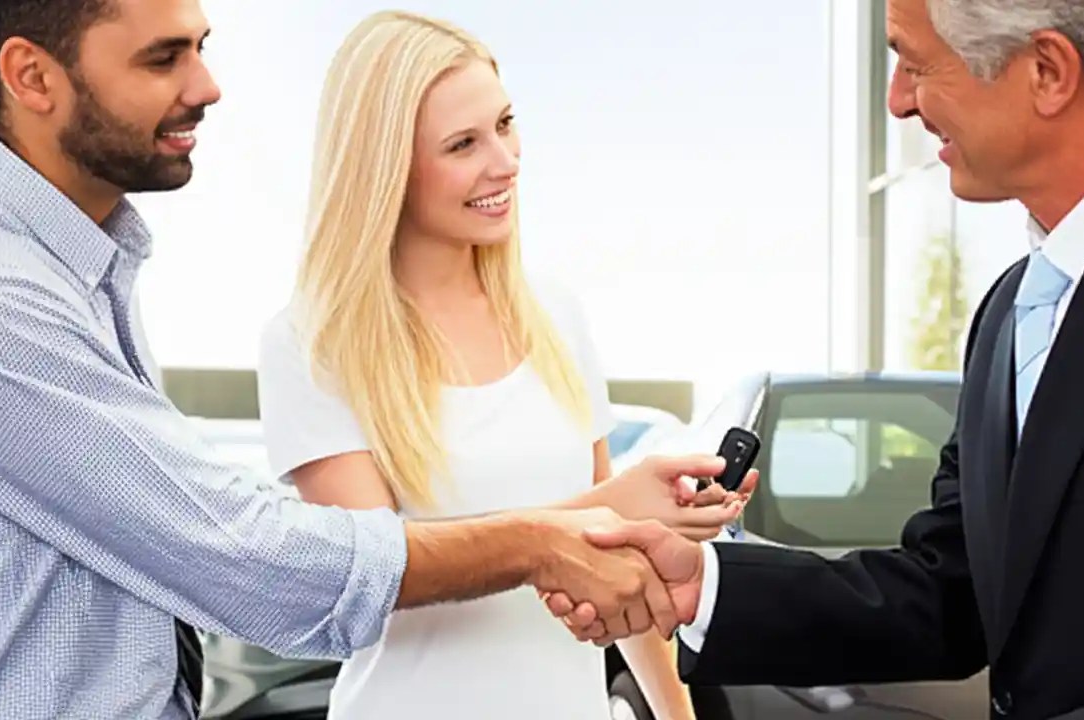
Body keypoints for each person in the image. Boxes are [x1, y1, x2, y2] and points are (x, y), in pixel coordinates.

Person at [0, 1, 718, 718]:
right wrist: (556, 533)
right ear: (31, 75)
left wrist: (609, 529)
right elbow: (247, 557)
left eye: (201, 45)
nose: (208, 85)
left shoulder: (81, 269)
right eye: (164, 57)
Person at [552, 0, 1084, 717]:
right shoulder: (1012, 308)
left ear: (1047, 72)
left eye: (917, 65)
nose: (896, 102)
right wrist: (706, 585)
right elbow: (954, 593)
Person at [253, 10, 754, 719]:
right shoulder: (312, 343)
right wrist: (611, 507)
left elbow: (619, 571)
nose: (506, 161)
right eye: (463, 143)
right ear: (385, 164)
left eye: (505, 124)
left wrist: (677, 714)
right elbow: (378, 580)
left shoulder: (555, 315)